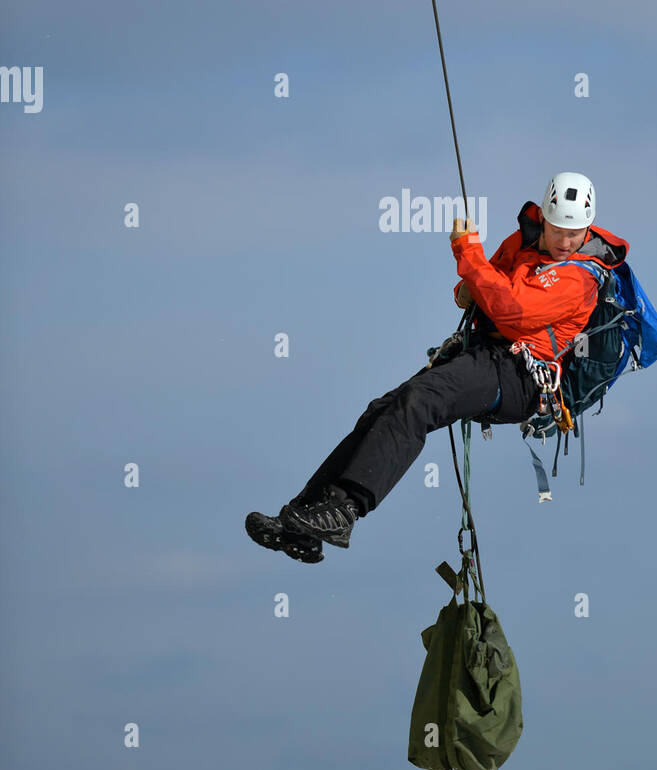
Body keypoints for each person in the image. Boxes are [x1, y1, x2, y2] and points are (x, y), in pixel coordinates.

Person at [244, 171, 629, 562]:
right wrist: (468, 285)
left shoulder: (582, 276)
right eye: (559, 230)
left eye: (575, 232)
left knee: (418, 402)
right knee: (381, 410)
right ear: (544, 219)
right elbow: (480, 285)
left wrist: (466, 252)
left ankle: (345, 509)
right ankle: (304, 517)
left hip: (519, 377)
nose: (566, 241)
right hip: (483, 354)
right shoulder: (522, 242)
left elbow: (513, 309)